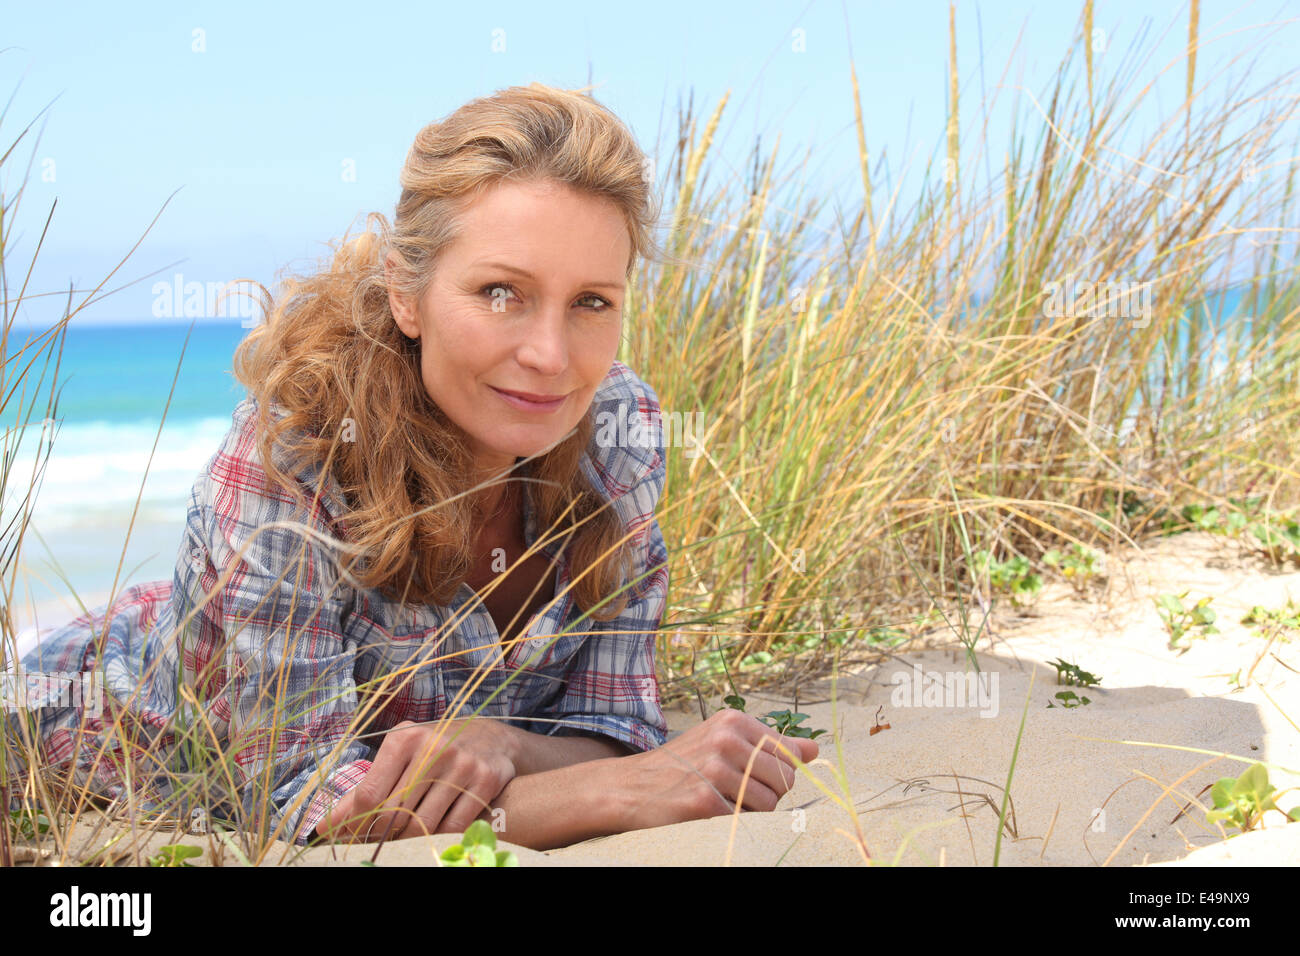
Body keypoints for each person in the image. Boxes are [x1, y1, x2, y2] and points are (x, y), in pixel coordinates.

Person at [9, 82, 817, 852]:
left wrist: (502, 744)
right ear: (407, 293)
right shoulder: (290, 466)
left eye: (592, 302)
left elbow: (614, 724)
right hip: (63, 725)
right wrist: (619, 792)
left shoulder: (622, 432)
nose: (550, 355)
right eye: (501, 291)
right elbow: (304, 799)